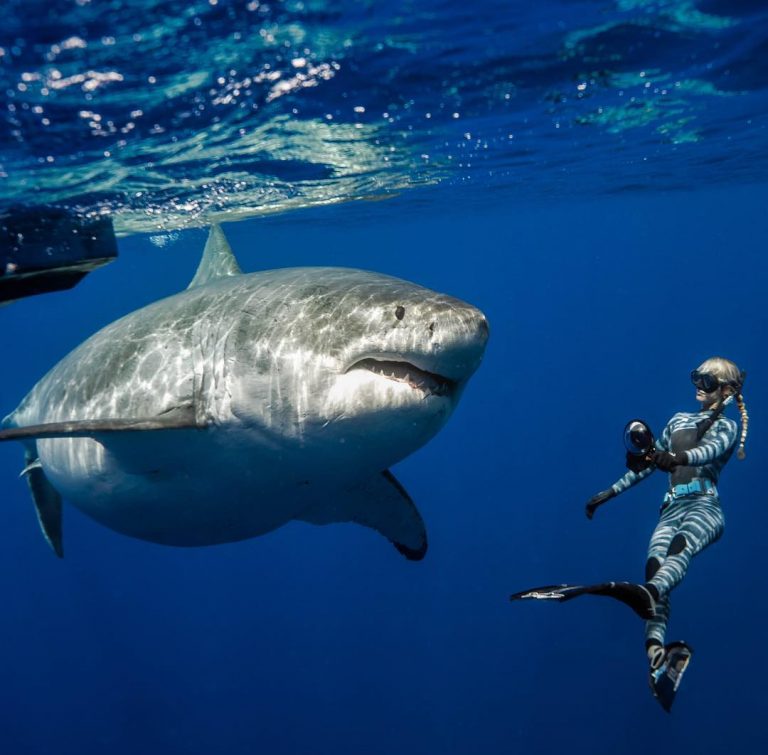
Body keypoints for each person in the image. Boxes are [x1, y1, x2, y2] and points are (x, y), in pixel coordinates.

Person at [584, 356, 749, 672]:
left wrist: (676, 457)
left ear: (726, 391)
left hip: (703, 505)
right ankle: (655, 653)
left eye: (708, 382)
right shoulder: (677, 421)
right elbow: (648, 463)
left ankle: (650, 593)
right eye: (696, 378)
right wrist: (610, 492)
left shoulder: (728, 426)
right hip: (671, 507)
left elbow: (709, 451)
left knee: (678, 552)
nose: (699, 386)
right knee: (654, 567)